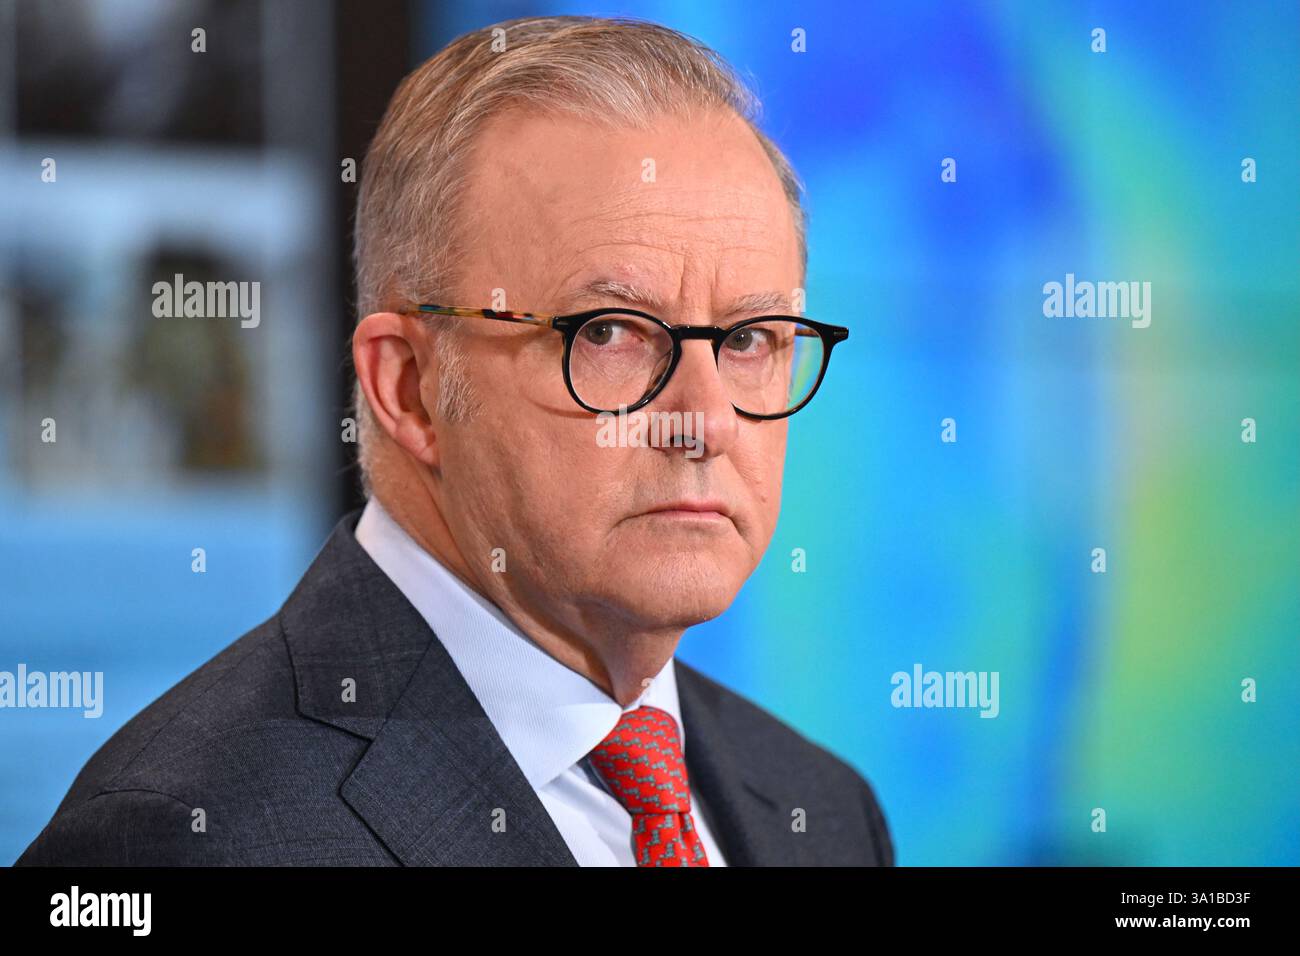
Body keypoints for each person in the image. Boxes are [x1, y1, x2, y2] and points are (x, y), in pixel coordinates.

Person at [17, 14, 892, 867]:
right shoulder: (183, 837)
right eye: (610, 332)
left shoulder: (823, 807)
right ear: (409, 388)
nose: (704, 422)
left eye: (749, 339)